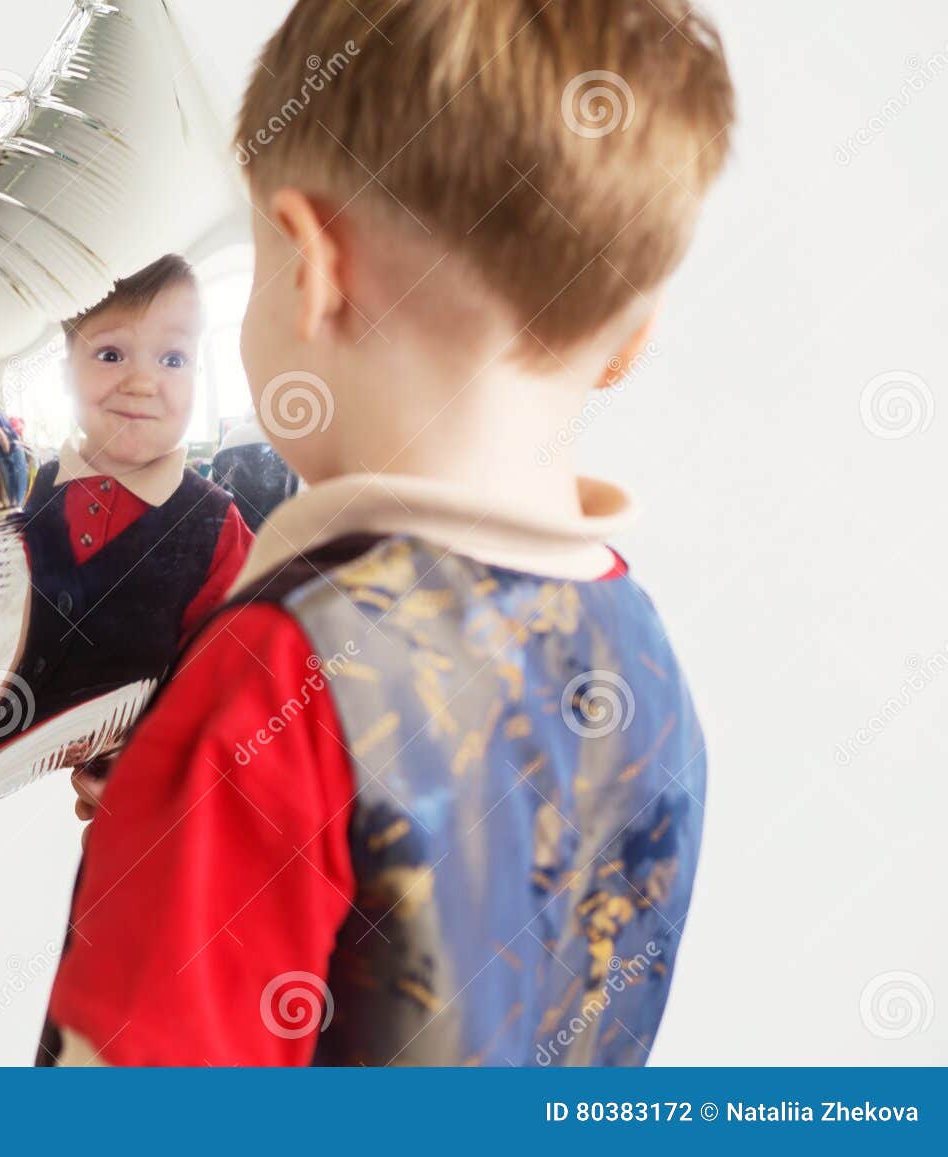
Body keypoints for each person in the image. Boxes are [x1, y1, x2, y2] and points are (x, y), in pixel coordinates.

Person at [39, 0, 735, 1065]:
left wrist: (210, 772)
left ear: (311, 263)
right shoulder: (641, 653)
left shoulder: (278, 669)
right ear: (626, 344)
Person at [0, 254, 253, 755]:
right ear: (66, 374)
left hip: (123, 789)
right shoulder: (18, 495)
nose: (142, 383)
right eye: (111, 355)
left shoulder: (217, 527)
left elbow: (229, 681)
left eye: (172, 360)